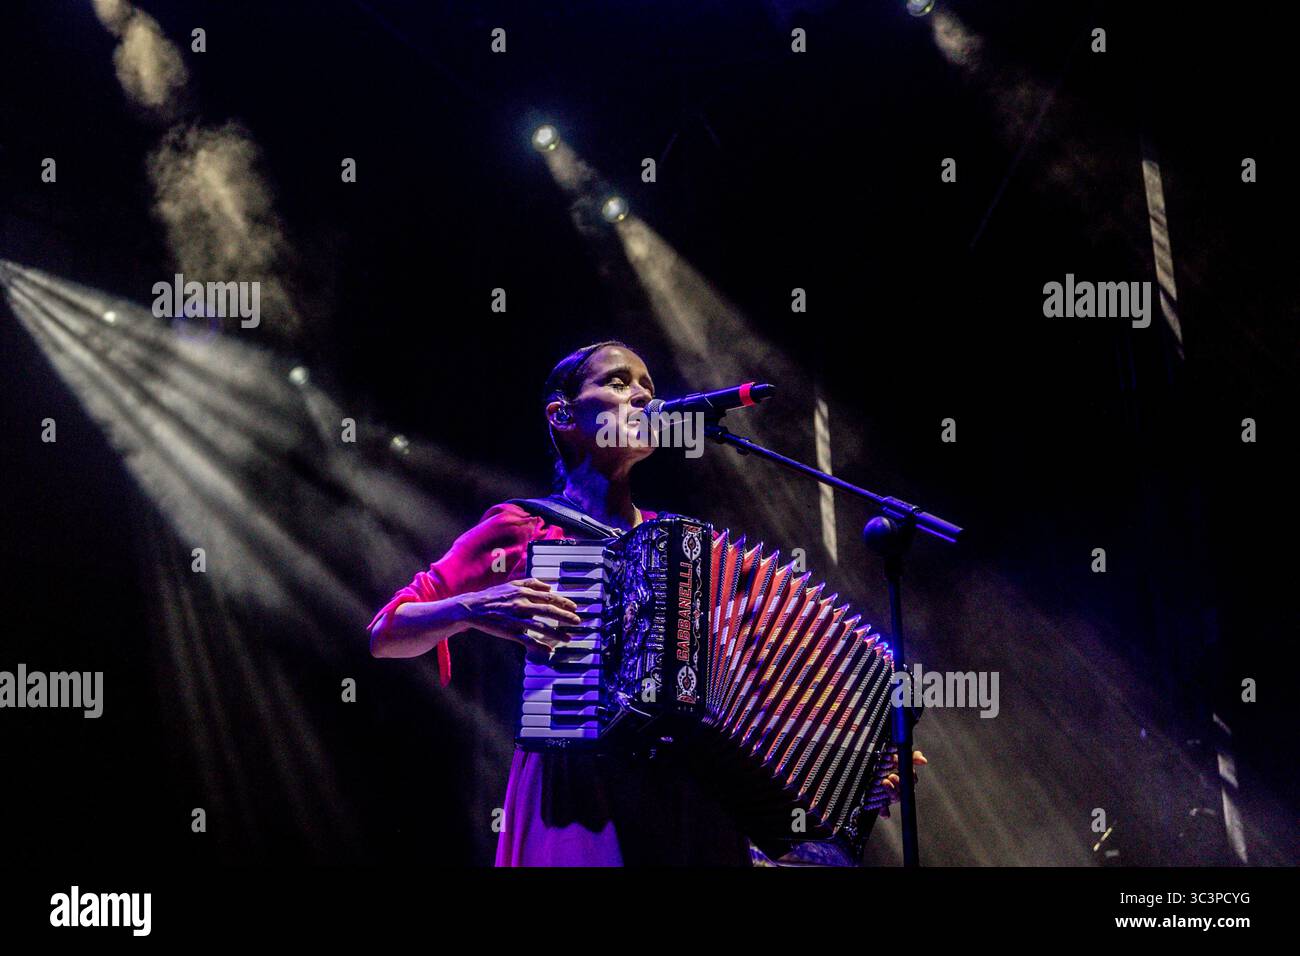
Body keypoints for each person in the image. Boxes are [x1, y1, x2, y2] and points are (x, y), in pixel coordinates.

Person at [367, 340, 923, 865]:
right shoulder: (525, 527)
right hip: (580, 792)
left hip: (691, 800)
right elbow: (387, 632)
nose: (641, 395)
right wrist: (471, 607)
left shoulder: (686, 553)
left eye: (648, 387)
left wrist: (855, 766)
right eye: (618, 382)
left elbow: (758, 689)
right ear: (562, 415)